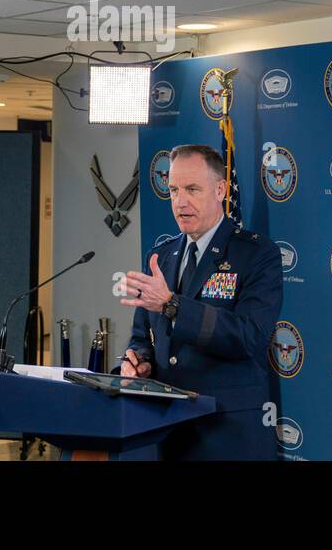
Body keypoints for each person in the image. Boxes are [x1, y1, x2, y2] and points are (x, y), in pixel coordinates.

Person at [119, 143, 282, 460]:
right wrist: (137, 361)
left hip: (228, 434)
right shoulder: (161, 256)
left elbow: (249, 336)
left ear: (220, 189)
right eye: (173, 190)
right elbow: (143, 336)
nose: (180, 201)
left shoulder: (257, 254)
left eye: (192, 189)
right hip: (167, 433)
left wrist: (172, 305)